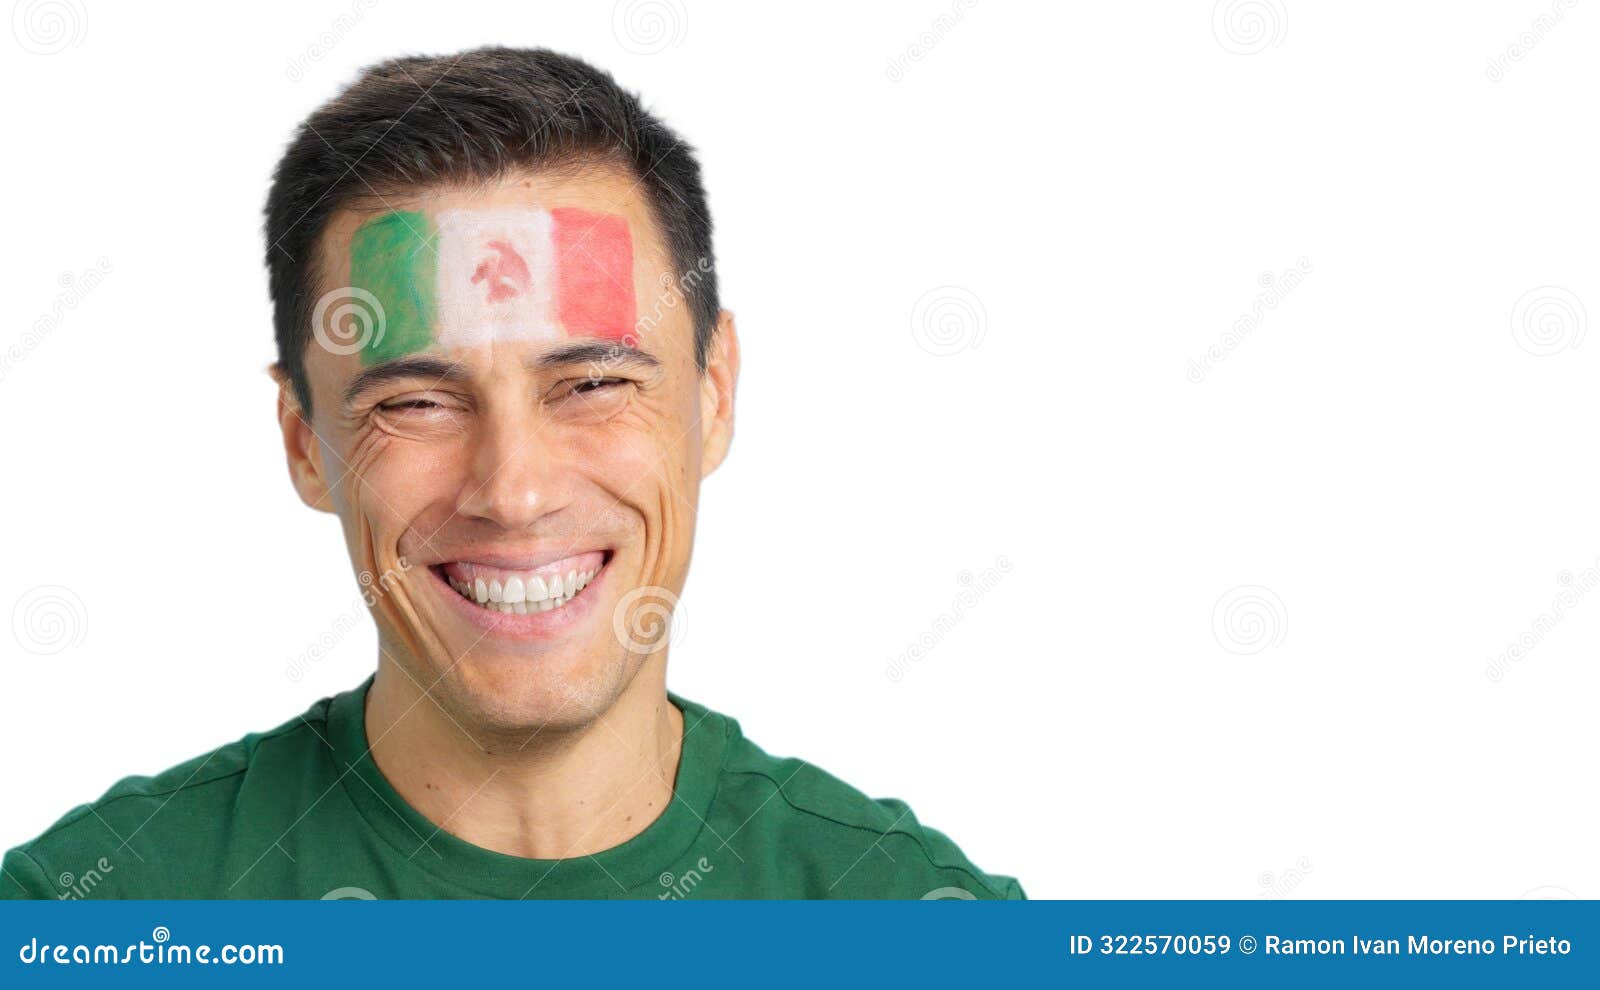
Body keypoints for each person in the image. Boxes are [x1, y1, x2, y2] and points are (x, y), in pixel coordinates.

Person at [1, 46, 1021, 900]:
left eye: (590, 383)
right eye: (415, 403)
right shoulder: (94, 913)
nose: (515, 490)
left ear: (714, 394)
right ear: (305, 440)